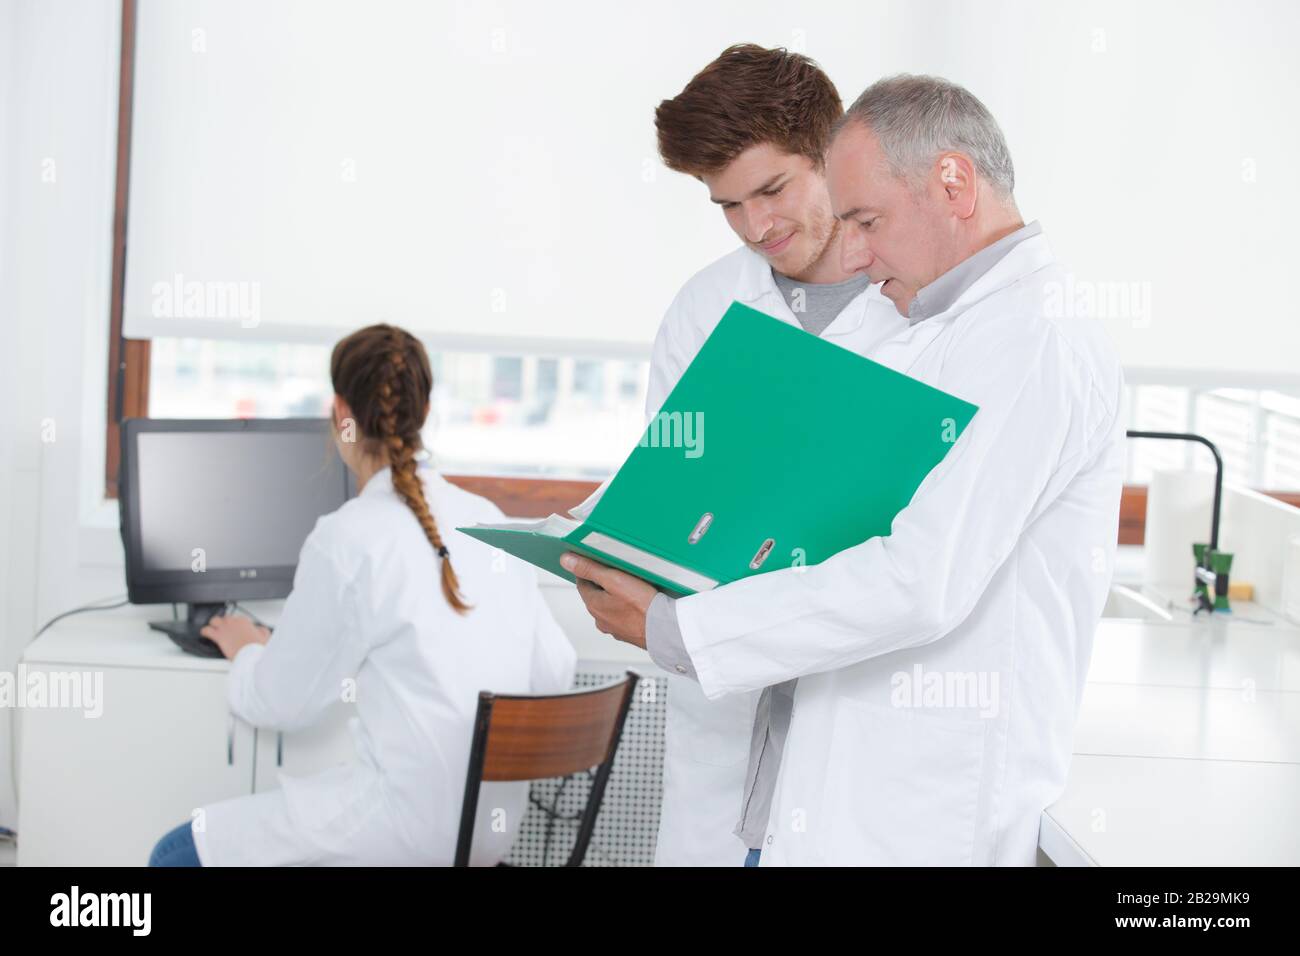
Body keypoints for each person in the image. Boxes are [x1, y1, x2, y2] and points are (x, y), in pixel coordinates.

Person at [562, 74, 1125, 866]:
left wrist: (679, 627)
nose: (855, 253)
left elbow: (917, 578)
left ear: (953, 183)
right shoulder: (934, 322)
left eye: (867, 219)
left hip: (920, 802)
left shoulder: (1033, 337)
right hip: (825, 778)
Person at [573, 44, 907, 866]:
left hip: (861, 715)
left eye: (772, 189)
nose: (758, 226)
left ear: (834, 154)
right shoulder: (706, 308)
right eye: (728, 205)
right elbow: (672, 492)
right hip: (721, 723)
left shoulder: (913, 303)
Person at [148, 324, 576, 866]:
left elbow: (282, 703)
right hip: (486, 836)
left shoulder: (346, 537)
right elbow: (555, 673)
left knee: (173, 855)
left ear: (340, 414)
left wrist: (248, 649)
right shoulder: (488, 520)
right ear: (423, 412)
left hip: (400, 835)